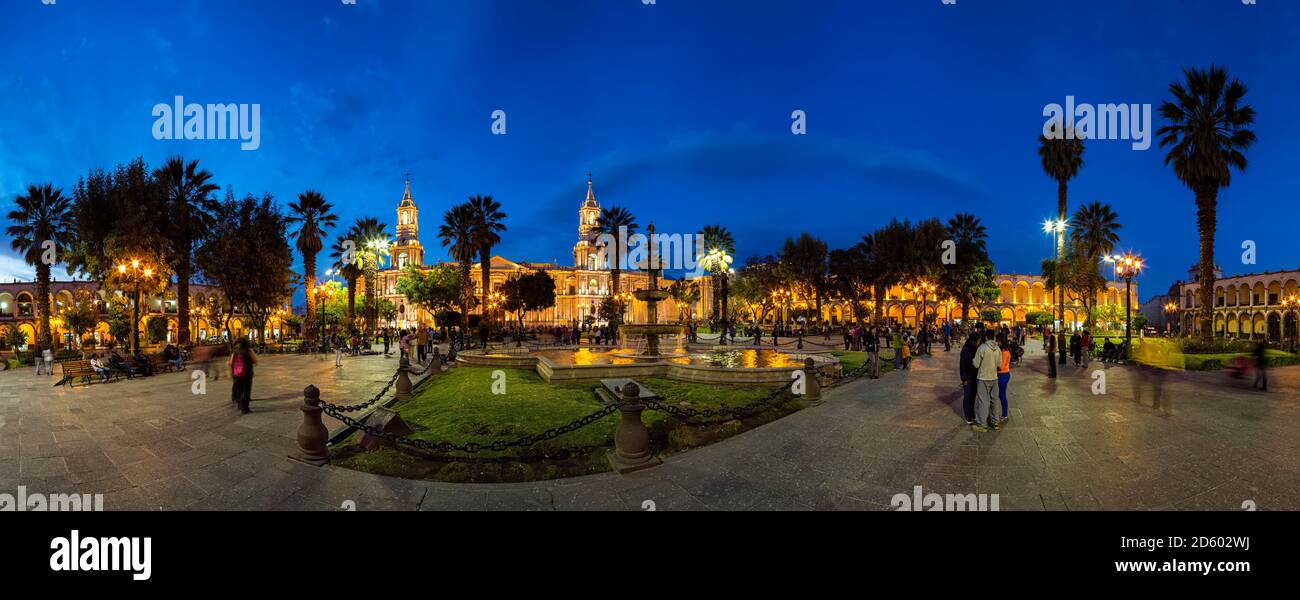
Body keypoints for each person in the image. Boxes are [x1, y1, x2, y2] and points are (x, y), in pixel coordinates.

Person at [971, 332, 1001, 431]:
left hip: (983, 377)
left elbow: (976, 364)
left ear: (986, 337)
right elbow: (999, 364)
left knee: (983, 401)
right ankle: (995, 422)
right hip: (994, 377)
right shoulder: (998, 349)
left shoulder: (982, 348)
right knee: (994, 400)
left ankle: (982, 424)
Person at [227, 339, 258, 414]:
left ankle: (240, 404)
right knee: (246, 391)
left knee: (239, 389)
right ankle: (245, 408)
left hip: (236, 374)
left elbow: (230, 362)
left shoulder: (235, 351)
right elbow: (255, 361)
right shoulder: (249, 351)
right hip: (247, 374)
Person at [959, 334, 979, 425]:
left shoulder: (975, 348)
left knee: (973, 396)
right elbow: (962, 364)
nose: (979, 342)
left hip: (975, 376)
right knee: (967, 396)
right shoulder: (966, 349)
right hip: (967, 376)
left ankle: (972, 413)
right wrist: (964, 378)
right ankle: (967, 416)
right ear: (974, 340)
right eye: (978, 340)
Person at [997, 334, 1011, 425]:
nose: (996, 342)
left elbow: (1001, 367)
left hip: (1003, 375)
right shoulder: (1005, 351)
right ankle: (1004, 413)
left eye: (997, 341)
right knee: (1001, 394)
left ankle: (1005, 414)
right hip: (1004, 374)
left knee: (1002, 395)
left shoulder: (1004, 352)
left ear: (1001, 341)